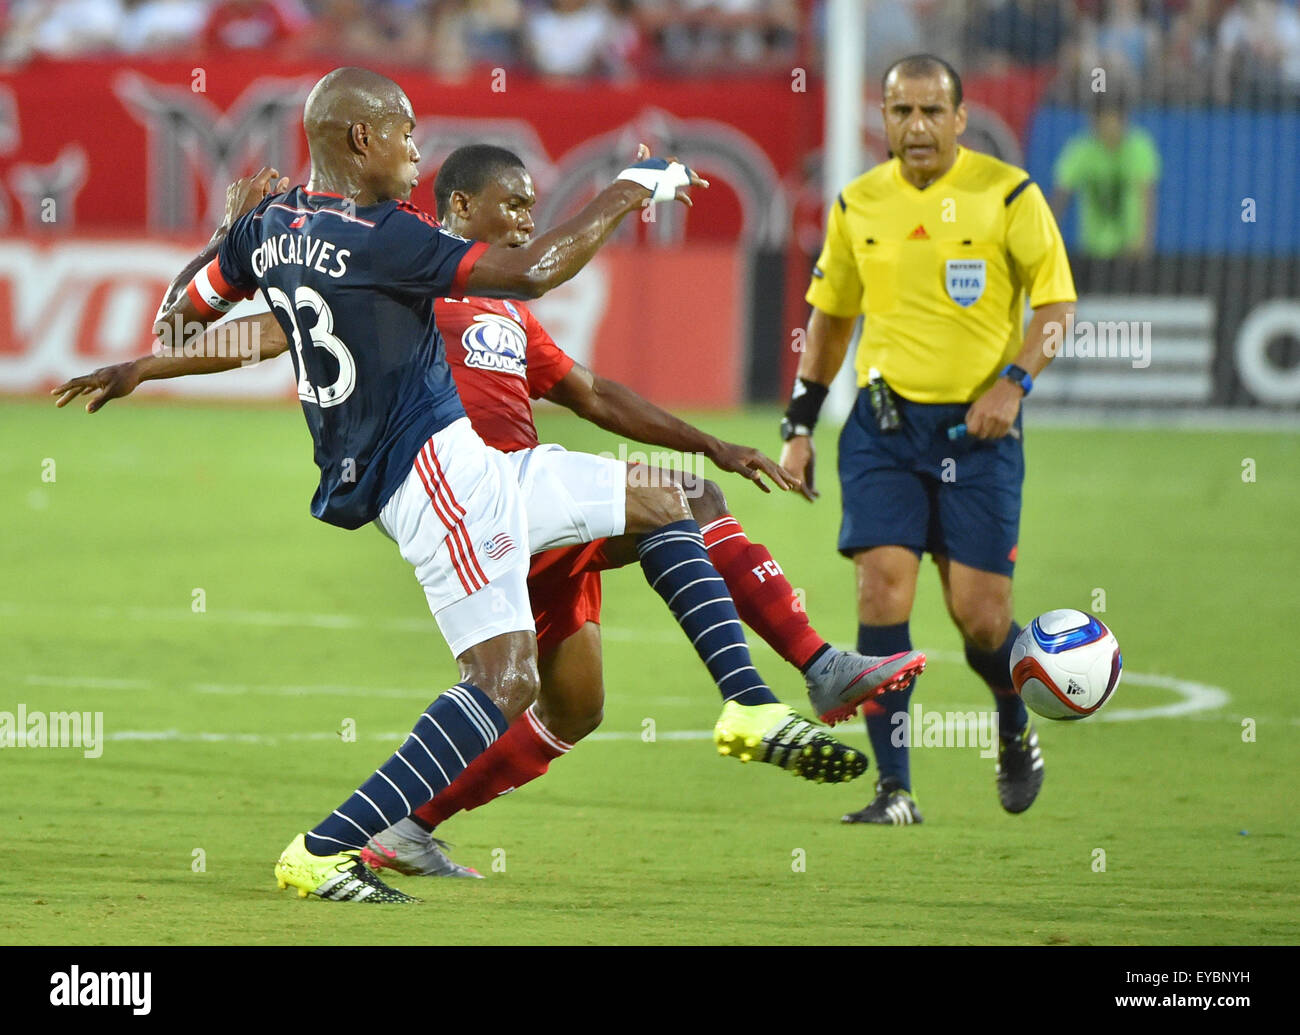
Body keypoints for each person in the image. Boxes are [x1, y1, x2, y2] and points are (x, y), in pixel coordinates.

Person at [56, 144, 926, 877]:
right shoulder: (395, 270)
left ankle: (407, 826)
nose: (522, 219)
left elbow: (591, 394)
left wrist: (712, 440)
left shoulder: (499, 308)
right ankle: (788, 677)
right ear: (460, 204)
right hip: (482, 503)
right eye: (512, 205)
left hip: (540, 496)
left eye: (531, 206)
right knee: (678, 506)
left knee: (573, 703)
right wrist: (148, 365)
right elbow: (269, 331)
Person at [61, 64, 719, 904]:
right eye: (406, 129)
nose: (418, 146)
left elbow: (185, 319)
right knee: (505, 677)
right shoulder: (385, 237)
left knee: (671, 498)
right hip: (433, 478)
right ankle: (326, 847)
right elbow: (535, 271)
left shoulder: (267, 227)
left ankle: (750, 700)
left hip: (480, 468)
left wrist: (213, 252)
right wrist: (631, 188)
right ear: (362, 137)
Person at [778, 54, 1077, 825]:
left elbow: (1055, 307)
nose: (916, 127)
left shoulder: (1008, 194)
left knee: (980, 618)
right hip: (883, 430)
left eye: (931, 112)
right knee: (882, 586)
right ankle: (895, 789)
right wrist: (800, 425)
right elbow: (831, 321)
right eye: (901, 112)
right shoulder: (857, 205)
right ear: (882, 119)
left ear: (960, 118)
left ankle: (1013, 725)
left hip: (978, 433)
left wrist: (1014, 382)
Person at [1050, 91, 1160, 260]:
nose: (1109, 125)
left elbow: (1147, 195)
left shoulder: (1139, 146)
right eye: (1102, 119)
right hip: (1092, 251)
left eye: (1113, 118)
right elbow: (1060, 196)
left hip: (1131, 253)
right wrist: (1048, 239)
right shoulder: (1080, 149)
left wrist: (1145, 241)